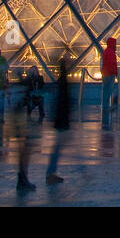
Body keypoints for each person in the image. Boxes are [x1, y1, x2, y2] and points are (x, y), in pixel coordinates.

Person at [45, 57, 72, 185]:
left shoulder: (60, 83)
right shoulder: (64, 83)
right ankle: (51, 173)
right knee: (58, 147)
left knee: (58, 147)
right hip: (62, 120)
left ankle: (51, 172)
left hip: (60, 120)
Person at [101, 37, 119, 127]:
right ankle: (106, 106)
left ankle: (105, 106)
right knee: (109, 90)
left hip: (105, 73)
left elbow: (104, 63)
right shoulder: (111, 52)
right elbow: (113, 64)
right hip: (110, 74)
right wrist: (115, 72)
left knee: (105, 91)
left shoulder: (105, 51)